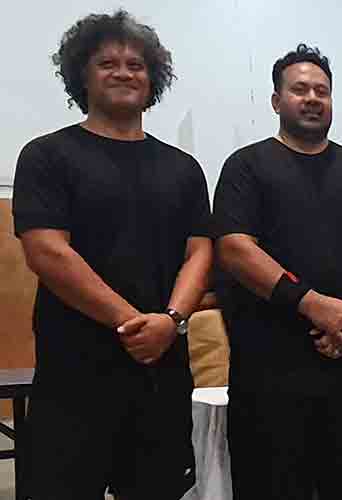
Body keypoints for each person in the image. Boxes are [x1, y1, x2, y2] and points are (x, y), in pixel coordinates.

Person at [13, 10, 212, 499]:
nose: (124, 72)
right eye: (108, 62)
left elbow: (200, 252)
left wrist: (171, 320)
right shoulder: (46, 156)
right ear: (82, 74)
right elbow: (47, 252)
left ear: (153, 78)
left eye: (136, 64)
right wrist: (133, 322)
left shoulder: (183, 169)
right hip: (73, 377)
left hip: (161, 376)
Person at [214, 44, 342, 499]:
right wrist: (314, 305)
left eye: (322, 90)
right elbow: (235, 248)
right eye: (300, 89)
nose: (313, 98)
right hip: (269, 375)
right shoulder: (246, 166)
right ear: (277, 101)